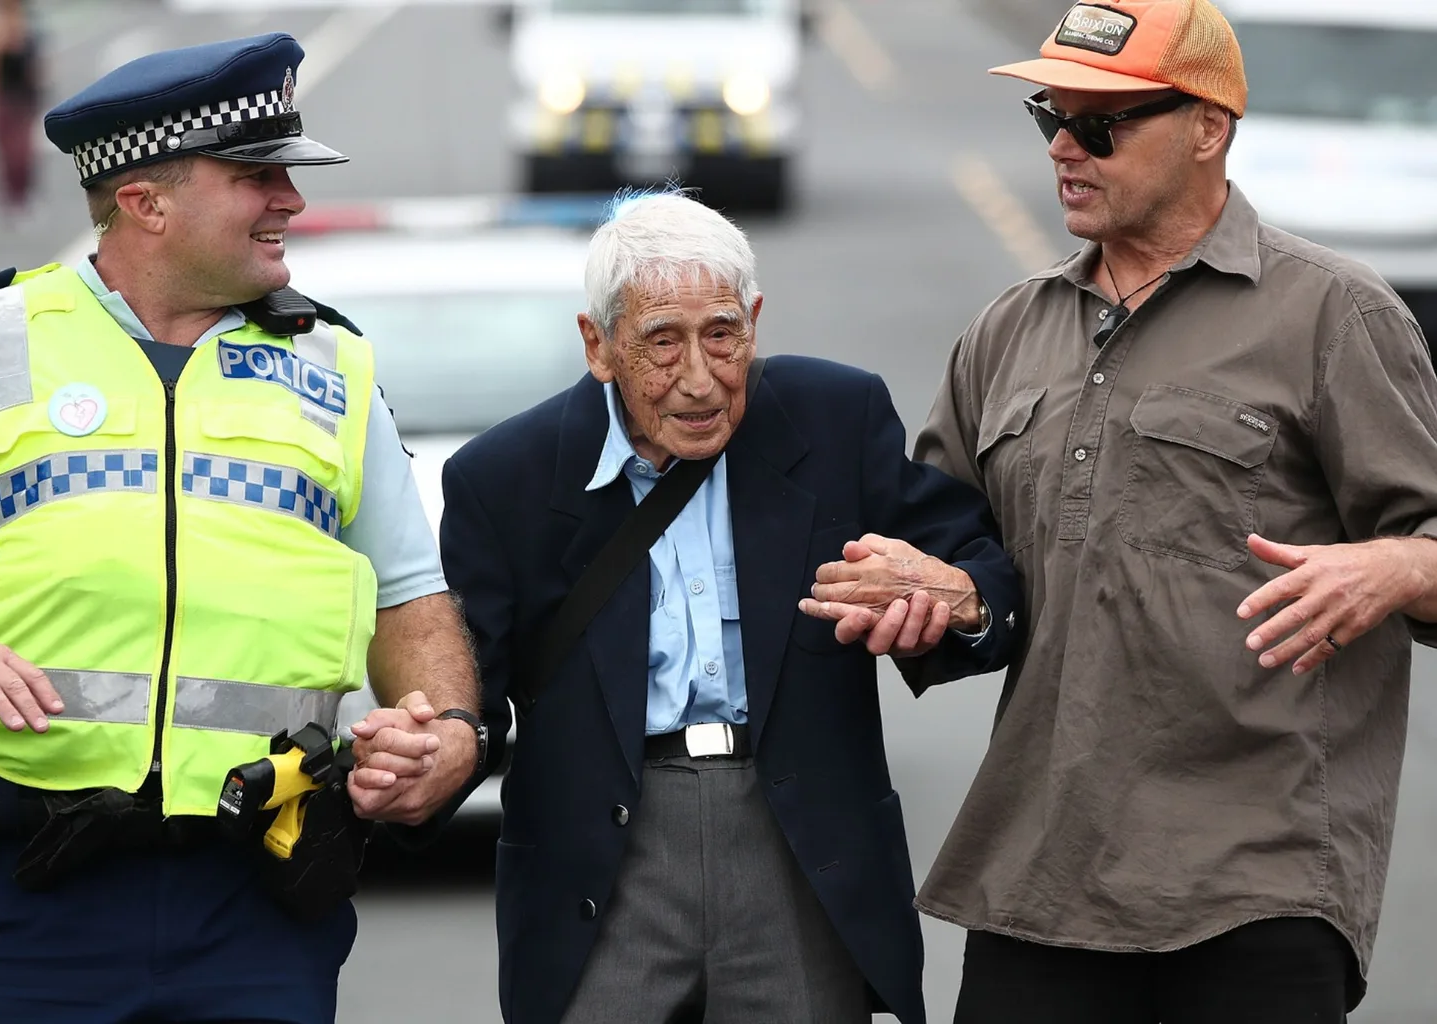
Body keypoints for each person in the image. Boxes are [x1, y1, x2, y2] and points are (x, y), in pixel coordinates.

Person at [800, 1, 1437, 1021]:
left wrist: (1397, 567)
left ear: (1205, 128)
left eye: (1099, 123)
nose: (1063, 145)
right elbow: (956, 563)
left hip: (1254, 886)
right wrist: (932, 592)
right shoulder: (1005, 333)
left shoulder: (1332, 314)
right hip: (1037, 880)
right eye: (1050, 114)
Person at [0, 33, 482, 1022]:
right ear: (144, 201)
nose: (289, 202)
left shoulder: (332, 367)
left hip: (256, 900)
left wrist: (452, 733)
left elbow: (408, 595)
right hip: (26, 898)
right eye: (257, 176)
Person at [414, 189, 1022, 1024]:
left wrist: (956, 600)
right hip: (602, 864)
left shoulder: (832, 419)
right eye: (661, 343)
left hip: (796, 846)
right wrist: (434, 747)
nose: (699, 380)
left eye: (721, 335)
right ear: (598, 346)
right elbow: (470, 692)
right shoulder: (502, 480)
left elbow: (978, 572)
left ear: (754, 323)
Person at [0, 0, 42, 219]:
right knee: (7, 153)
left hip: (23, 99)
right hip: (5, 100)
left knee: (23, 152)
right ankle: (11, 198)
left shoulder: (28, 30)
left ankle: (23, 194)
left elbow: (36, 67)